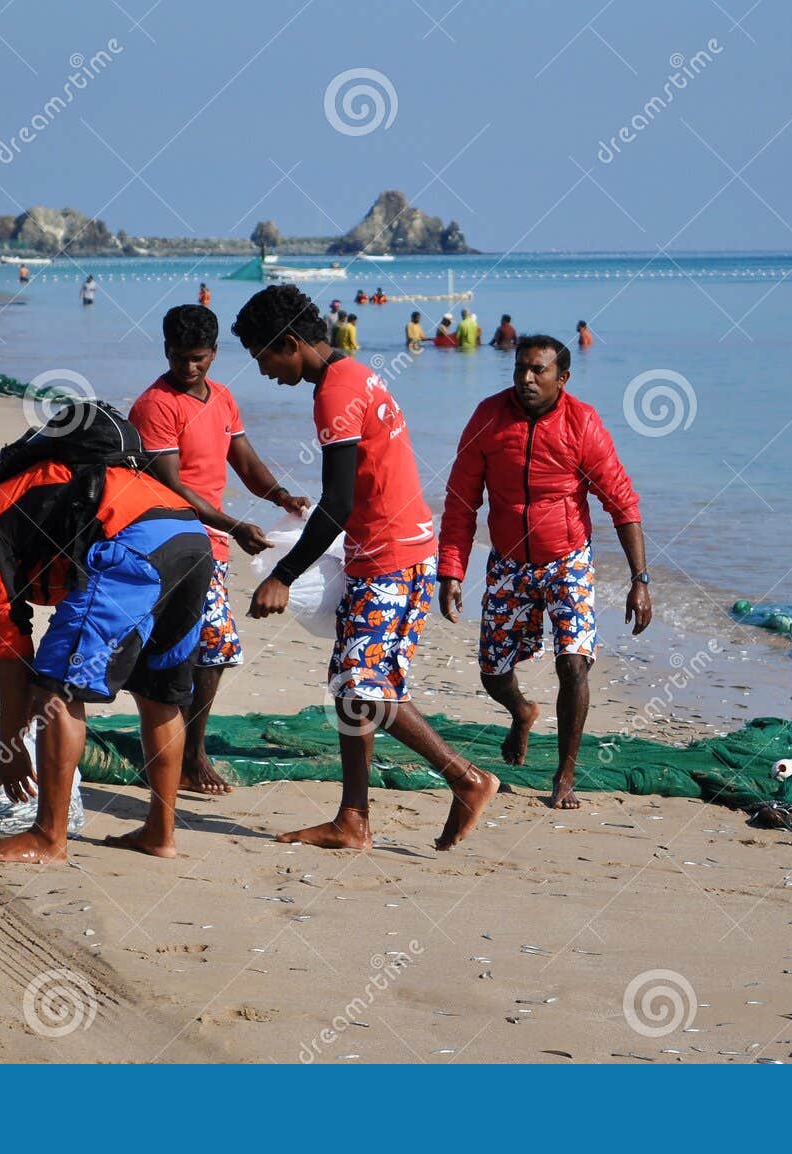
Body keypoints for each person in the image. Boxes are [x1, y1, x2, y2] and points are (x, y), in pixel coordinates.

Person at [230, 284, 499, 851]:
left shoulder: (335, 391)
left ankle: (465, 778)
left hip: (391, 560)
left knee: (362, 685)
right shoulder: (353, 374)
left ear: (291, 342)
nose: (266, 373)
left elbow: (338, 503)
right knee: (350, 685)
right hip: (399, 551)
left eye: (264, 358)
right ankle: (353, 818)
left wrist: (284, 574)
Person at [0, 456, 214, 864]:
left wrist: (12, 744)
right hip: (189, 534)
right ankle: (160, 834)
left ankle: (48, 838)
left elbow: (12, 650)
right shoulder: (16, 505)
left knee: (55, 685)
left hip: (133, 540)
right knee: (159, 691)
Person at [437, 335, 650, 810]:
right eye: (520, 370)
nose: (526, 380)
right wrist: (451, 570)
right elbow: (461, 501)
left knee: (573, 662)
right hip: (510, 564)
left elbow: (621, 500)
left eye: (538, 371)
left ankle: (564, 775)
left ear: (563, 378)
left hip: (567, 560)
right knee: (493, 672)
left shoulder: (583, 423)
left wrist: (640, 579)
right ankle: (521, 712)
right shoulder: (488, 418)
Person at [128, 305, 310, 796]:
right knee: (205, 648)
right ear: (166, 350)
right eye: (181, 358)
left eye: (200, 358)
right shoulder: (155, 406)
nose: (190, 368)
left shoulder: (223, 399)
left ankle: (184, 752)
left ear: (215, 353)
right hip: (167, 538)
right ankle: (186, 757)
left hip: (211, 544)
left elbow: (244, 460)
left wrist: (280, 496)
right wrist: (233, 524)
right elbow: (171, 486)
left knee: (204, 651)